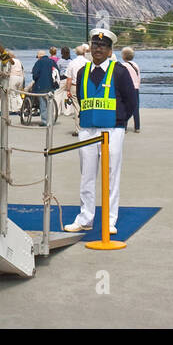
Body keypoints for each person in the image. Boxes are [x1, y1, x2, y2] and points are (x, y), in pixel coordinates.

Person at [63, 28, 136, 235]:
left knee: (112, 175)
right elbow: (82, 98)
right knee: (86, 175)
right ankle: (85, 218)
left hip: (112, 130)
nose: (98, 49)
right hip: (87, 130)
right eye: (95, 45)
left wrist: (120, 120)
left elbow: (132, 102)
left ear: (110, 50)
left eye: (103, 46)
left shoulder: (120, 71)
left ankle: (109, 220)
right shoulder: (81, 72)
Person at [30, 49, 54, 126]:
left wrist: (35, 79)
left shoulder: (38, 62)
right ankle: (51, 120)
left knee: (43, 104)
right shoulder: (52, 61)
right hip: (51, 86)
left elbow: (35, 74)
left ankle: (44, 121)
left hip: (41, 86)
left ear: (39, 57)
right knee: (50, 103)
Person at [121, 46, 141, 133]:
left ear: (124, 56)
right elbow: (139, 77)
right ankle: (137, 127)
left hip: (127, 88)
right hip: (136, 88)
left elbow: (122, 78)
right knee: (135, 108)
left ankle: (124, 127)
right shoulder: (135, 65)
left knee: (125, 107)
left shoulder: (123, 65)